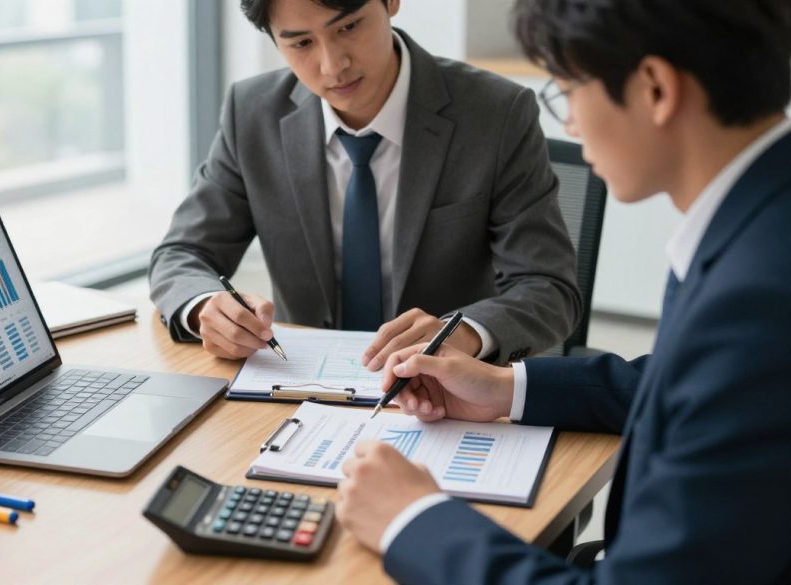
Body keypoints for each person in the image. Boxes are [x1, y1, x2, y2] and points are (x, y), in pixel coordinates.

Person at [335, 0, 791, 582]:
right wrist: (505, 388)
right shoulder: (759, 220)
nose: (569, 125)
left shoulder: (759, 301)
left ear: (654, 87)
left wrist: (411, 518)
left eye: (569, 90)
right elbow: (694, 388)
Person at [149, 0, 581, 367]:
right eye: (301, 43)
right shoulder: (252, 114)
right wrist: (206, 306)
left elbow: (548, 287)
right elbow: (182, 253)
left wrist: (461, 332)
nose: (332, 65)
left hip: (446, 393)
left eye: (349, 26)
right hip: (296, 386)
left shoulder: (496, 114)